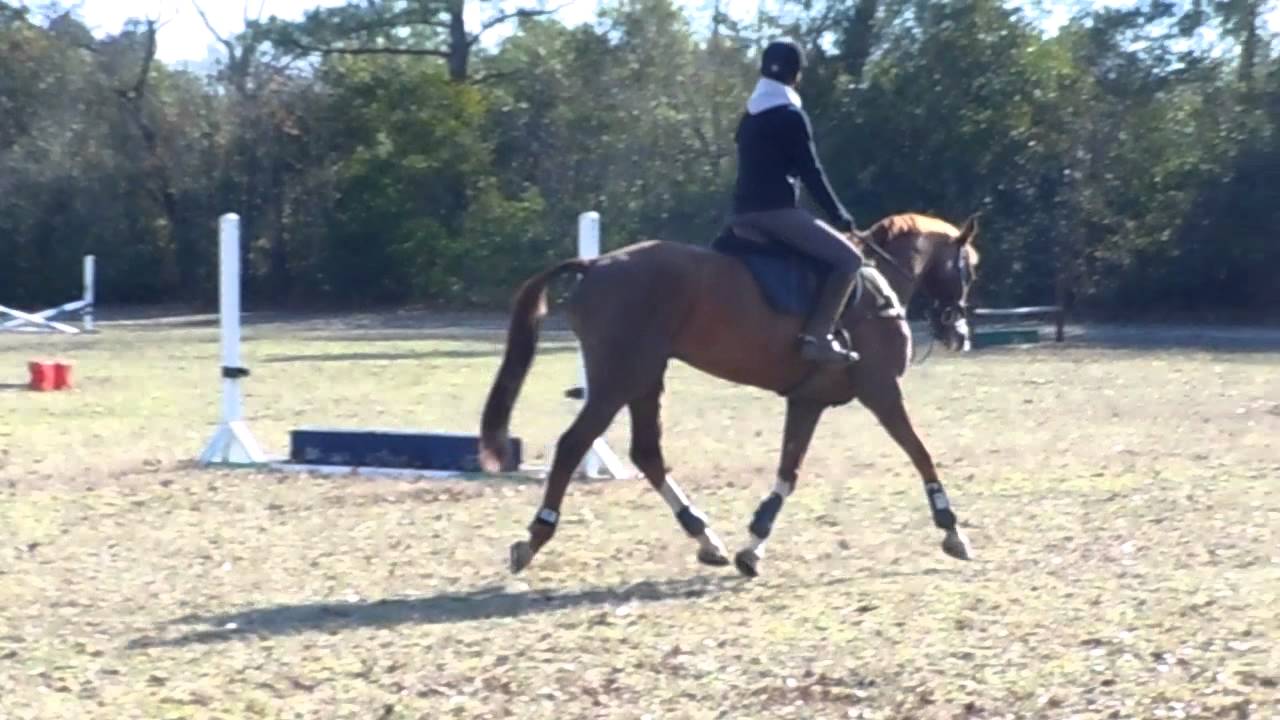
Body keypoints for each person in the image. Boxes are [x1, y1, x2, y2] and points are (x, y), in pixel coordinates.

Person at [729, 38, 865, 365]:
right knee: (850, 261)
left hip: (739, 215)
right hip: (776, 213)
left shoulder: (749, 116)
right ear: (795, 76)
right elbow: (810, 171)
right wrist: (840, 216)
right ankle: (818, 336)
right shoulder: (790, 114)